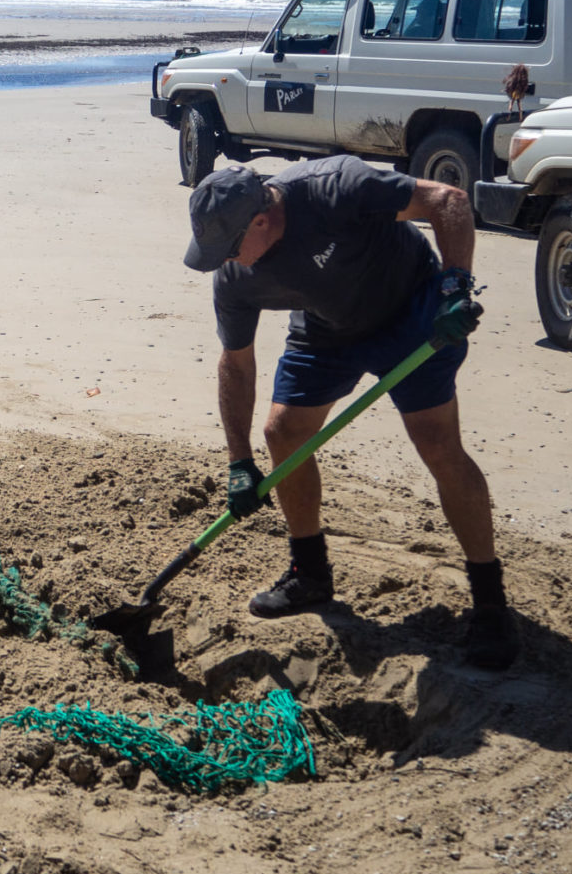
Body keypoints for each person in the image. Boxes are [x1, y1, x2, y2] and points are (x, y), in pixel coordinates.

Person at [184, 156, 518, 670]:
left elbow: (447, 201)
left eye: (229, 249)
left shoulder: (334, 186)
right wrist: (238, 461)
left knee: (436, 444)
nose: (225, 263)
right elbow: (237, 364)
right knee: (284, 433)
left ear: (262, 221)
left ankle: (490, 602)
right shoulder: (235, 279)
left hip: (414, 313)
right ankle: (310, 572)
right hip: (328, 328)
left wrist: (456, 287)